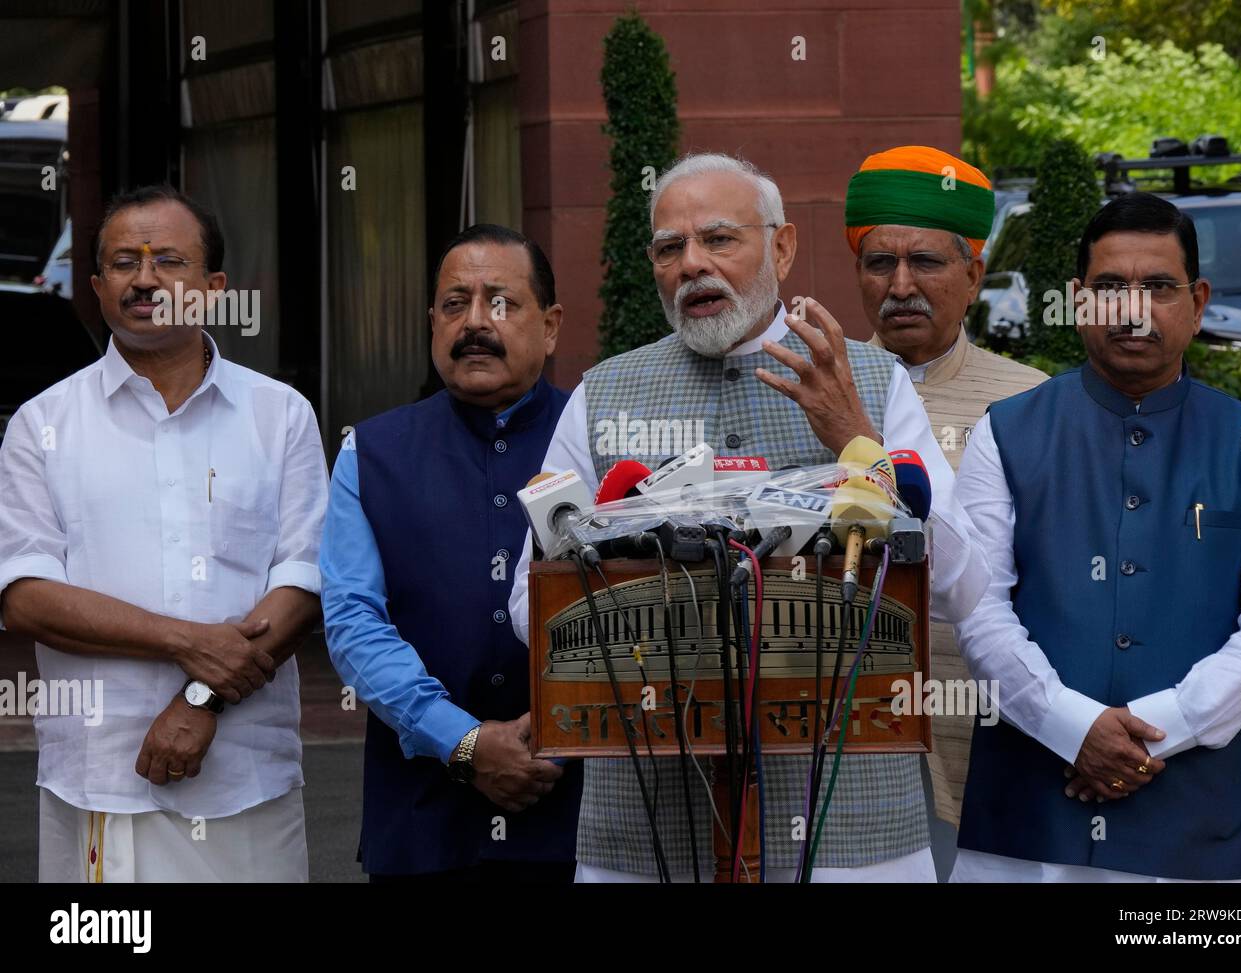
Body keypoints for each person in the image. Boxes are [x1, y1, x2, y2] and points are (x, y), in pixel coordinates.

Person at [510, 153, 991, 882]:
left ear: (783, 247)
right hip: (650, 826)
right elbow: (528, 600)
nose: (692, 265)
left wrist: (856, 439)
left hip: (851, 822)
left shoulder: (872, 381)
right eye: (670, 248)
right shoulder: (602, 393)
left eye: (719, 239)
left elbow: (964, 584)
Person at [951, 192, 1241, 881]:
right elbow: (977, 606)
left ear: (1197, 303)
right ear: (1079, 300)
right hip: (1027, 820)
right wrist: (1072, 728)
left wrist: (1151, 730)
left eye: (1159, 287)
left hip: (1202, 823)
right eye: (1110, 287)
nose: (1133, 308)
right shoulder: (1006, 433)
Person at [0, 184, 327, 882]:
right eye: (123, 262)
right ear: (95, 286)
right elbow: (26, 595)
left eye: (168, 261)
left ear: (212, 286)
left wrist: (199, 697)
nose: (144, 278)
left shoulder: (280, 416)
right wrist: (188, 641)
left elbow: (303, 583)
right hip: (100, 781)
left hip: (249, 778)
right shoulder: (44, 425)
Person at [321, 223, 582, 883]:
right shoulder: (372, 452)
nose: (475, 322)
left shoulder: (594, 438)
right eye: (454, 304)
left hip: (580, 823)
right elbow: (353, 621)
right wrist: (463, 744)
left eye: (501, 302)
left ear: (550, 326)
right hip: (422, 828)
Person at [845, 145, 1048, 827]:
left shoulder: (1033, 402)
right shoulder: (815, 390)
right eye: (880, 263)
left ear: (974, 274)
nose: (901, 285)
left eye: (926, 262)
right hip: (852, 749)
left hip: (997, 739)